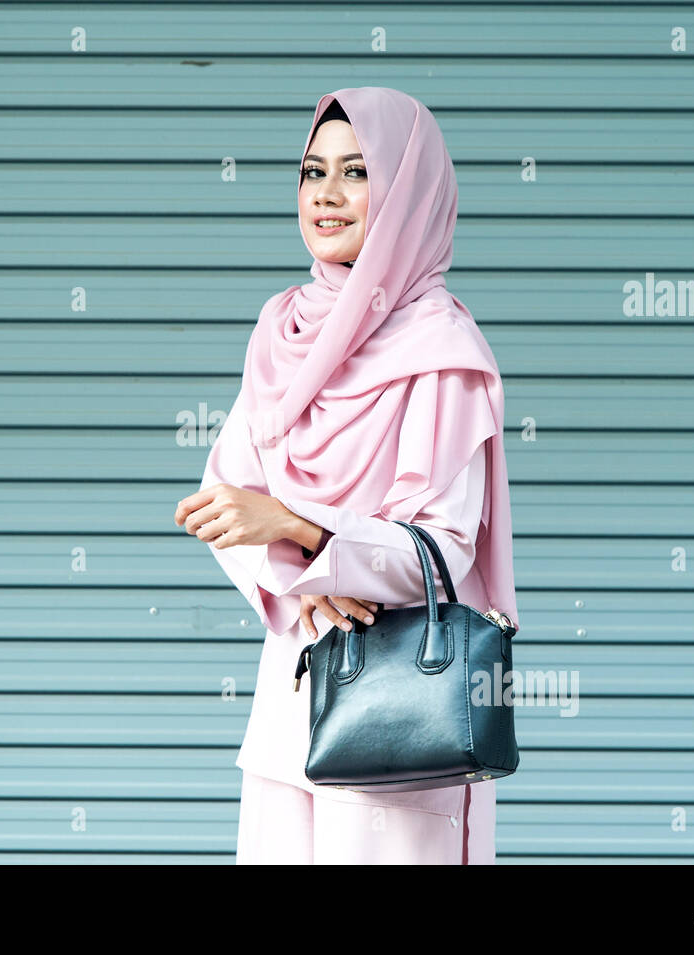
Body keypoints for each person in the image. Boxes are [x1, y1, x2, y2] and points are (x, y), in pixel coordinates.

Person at [173, 87, 520, 865]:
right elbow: (222, 505)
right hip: (289, 724)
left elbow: (441, 548)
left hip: (401, 736)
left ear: (406, 192)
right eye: (312, 171)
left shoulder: (442, 349)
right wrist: (298, 562)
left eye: (357, 172)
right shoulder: (283, 333)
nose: (326, 194)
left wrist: (301, 530)